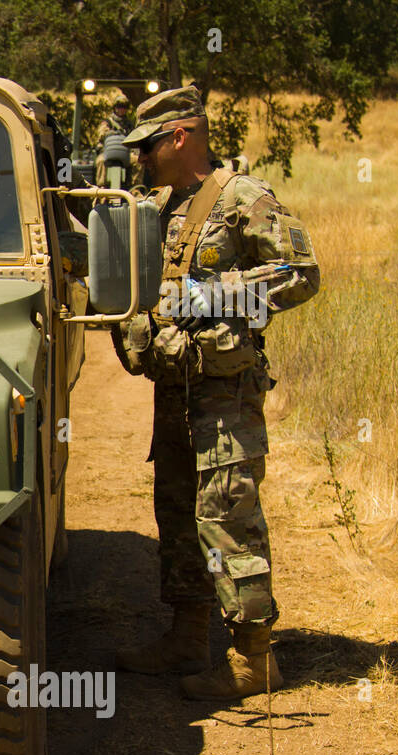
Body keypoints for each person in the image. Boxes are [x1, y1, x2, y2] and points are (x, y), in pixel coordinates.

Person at [111, 86, 319, 700]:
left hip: (223, 393)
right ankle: (186, 636)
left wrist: (219, 294)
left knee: (227, 516)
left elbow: (299, 274)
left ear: (182, 136)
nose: (139, 159)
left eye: (147, 146)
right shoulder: (157, 204)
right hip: (173, 387)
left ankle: (254, 659)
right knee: (177, 514)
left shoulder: (241, 198)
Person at [94, 95, 132, 187]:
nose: (121, 109)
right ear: (115, 108)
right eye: (119, 106)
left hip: (126, 152)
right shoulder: (107, 122)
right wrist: (112, 133)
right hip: (107, 151)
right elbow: (101, 134)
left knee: (137, 161)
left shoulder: (129, 124)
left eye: (124, 107)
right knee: (100, 161)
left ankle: (135, 189)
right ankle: (101, 189)